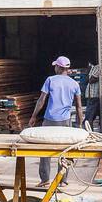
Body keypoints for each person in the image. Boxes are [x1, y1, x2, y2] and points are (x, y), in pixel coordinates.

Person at [29, 57, 83, 186]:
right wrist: (80, 124)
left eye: (55, 66)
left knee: (44, 150)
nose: (54, 68)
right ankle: (62, 180)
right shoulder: (74, 84)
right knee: (65, 151)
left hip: (49, 120)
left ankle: (45, 179)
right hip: (65, 121)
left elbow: (41, 100)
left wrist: (33, 116)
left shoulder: (50, 80)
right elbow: (79, 106)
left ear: (59, 67)